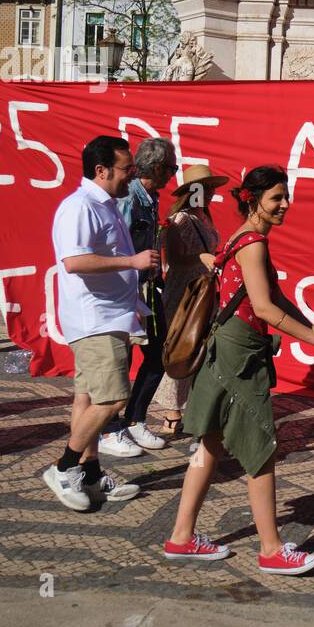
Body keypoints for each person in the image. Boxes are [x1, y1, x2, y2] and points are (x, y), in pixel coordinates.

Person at [163, 165, 314, 572]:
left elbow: (275, 297)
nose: (285, 204)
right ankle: (271, 550)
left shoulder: (240, 237)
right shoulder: (253, 243)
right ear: (253, 200)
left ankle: (181, 536)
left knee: (209, 444)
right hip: (239, 355)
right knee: (260, 446)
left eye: (286, 196)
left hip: (223, 347)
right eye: (276, 198)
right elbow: (263, 309)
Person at [43, 136, 155, 511]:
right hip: (94, 318)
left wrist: (134, 302)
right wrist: (133, 263)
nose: (131, 177)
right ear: (101, 170)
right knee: (113, 398)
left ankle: (90, 475)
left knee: (88, 397)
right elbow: (75, 262)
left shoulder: (106, 205)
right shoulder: (79, 207)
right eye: (126, 170)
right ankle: (64, 467)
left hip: (111, 315)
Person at [98, 137, 178, 458]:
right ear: (157, 167)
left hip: (147, 287)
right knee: (121, 359)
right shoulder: (128, 198)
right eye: (171, 167)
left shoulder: (151, 197)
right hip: (125, 289)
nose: (173, 174)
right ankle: (109, 427)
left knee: (159, 351)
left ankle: (135, 417)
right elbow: (117, 244)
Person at [152, 164, 227, 435]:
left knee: (201, 346)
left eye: (211, 189)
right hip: (184, 290)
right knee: (183, 345)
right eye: (204, 189)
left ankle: (193, 405)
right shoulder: (181, 220)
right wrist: (201, 258)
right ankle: (172, 412)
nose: (210, 194)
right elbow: (173, 259)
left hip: (204, 288)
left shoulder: (204, 218)